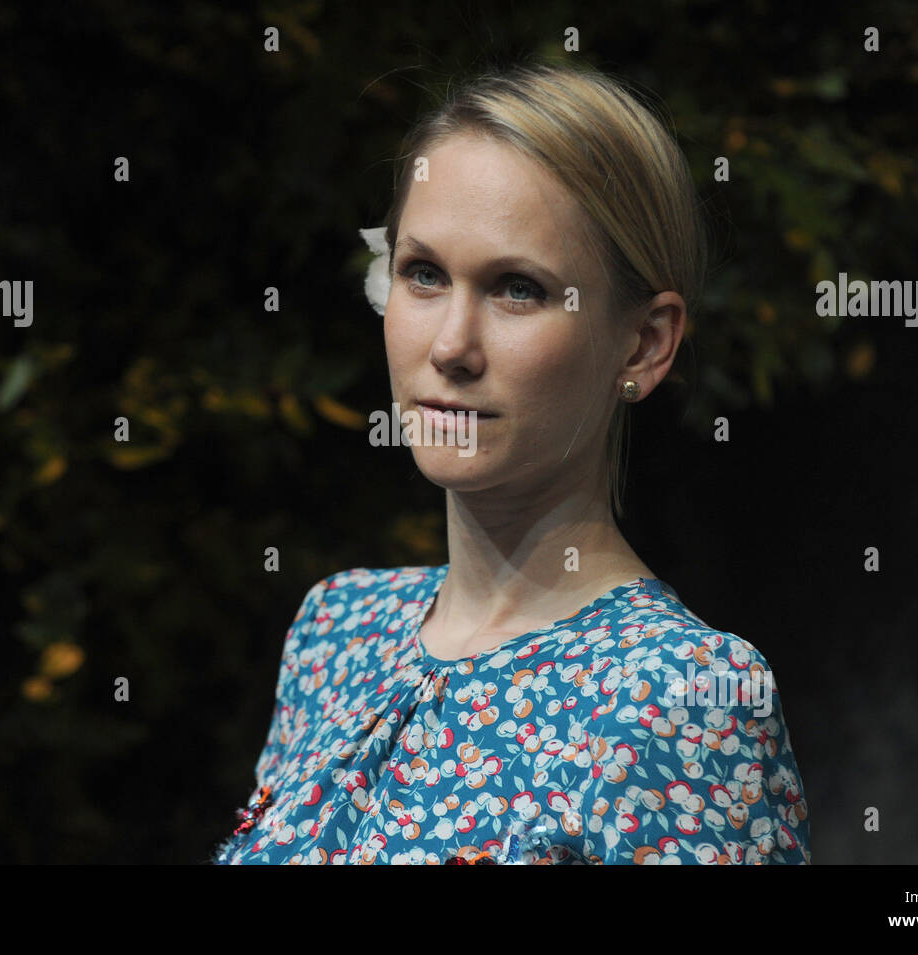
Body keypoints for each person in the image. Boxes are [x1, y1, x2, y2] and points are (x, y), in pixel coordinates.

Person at [214, 62, 810, 864]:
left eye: (517, 289)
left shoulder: (684, 695)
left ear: (645, 342)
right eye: (423, 274)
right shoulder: (337, 629)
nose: (450, 345)